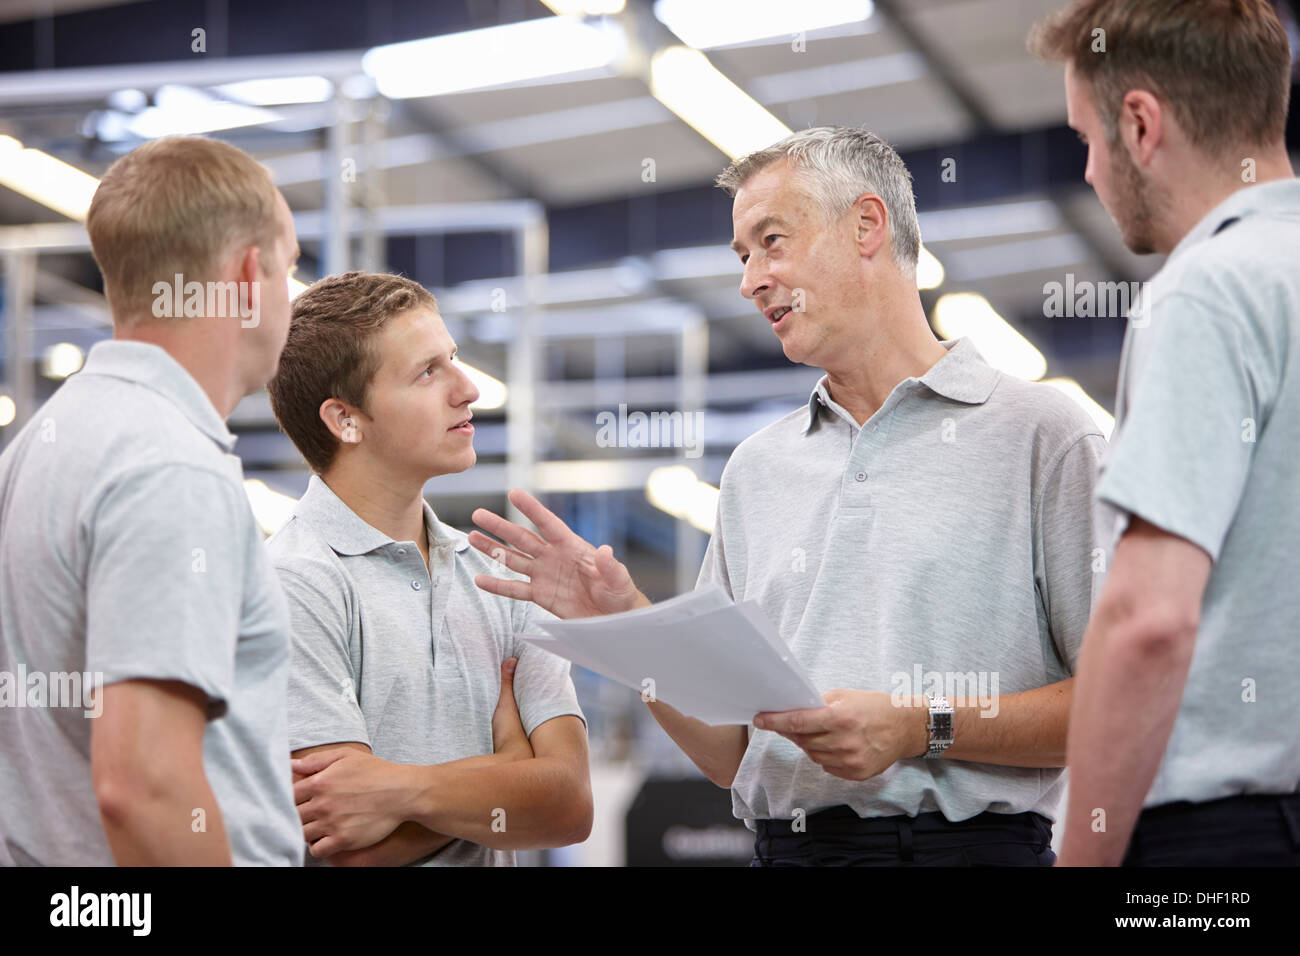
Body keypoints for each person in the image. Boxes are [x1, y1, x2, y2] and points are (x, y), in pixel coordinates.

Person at [471, 126, 1107, 866]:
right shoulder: (755, 470)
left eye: (771, 242)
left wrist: (919, 726)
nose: (750, 281)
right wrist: (633, 630)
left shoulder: (1041, 436)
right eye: (743, 257)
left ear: (867, 225)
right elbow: (729, 753)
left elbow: (1117, 704)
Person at [1030, 0, 1300, 865]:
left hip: (1227, 841)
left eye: (1087, 138)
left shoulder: (1208, 291)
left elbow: (1150, 619)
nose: (1091, 172)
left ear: (1141, 124)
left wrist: (1086, 851)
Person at [0, 135, 302, 865]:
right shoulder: (172, 467)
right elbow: (142, 784)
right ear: (247, 272)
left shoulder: (39, 447)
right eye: (291, 270)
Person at [264, 270, 592, 866]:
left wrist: (402, 790)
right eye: (427, 372)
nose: (467, 388)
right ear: (345, 420)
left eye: (455, 359)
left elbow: (568, 804)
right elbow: (347, 852)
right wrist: (511, 765)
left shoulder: (502, 578)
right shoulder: (292, 585)